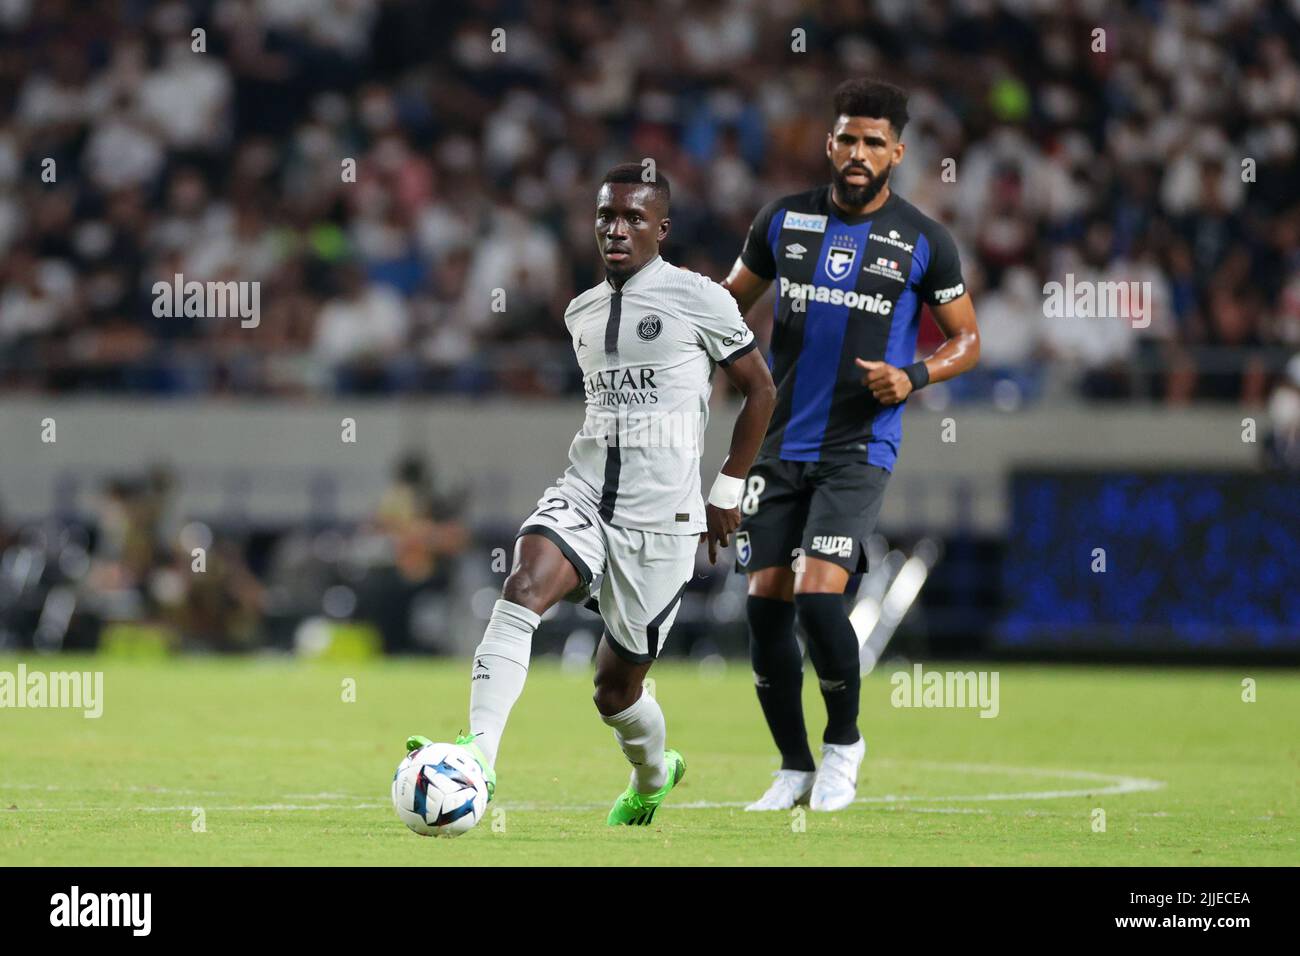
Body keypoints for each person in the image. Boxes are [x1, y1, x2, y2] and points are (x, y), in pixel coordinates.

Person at [408, 163, 776, 825]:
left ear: (661, 229)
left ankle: (653, 774)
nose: (616, 228)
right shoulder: (580, 312)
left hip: (662, 521)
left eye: (634, 217)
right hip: (582, 493)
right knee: (522, 587)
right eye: (607, 215)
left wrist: (727, 485)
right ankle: (479, 757)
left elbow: (762, 389)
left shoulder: (701, 299)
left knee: (614, 690)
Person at [720, 78, 980, 811]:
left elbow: (968, 339)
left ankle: (844, 746)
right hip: (779, 444)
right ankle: (793, 766)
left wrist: (915, 374)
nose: (858, 152)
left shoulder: (924, 241)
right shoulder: (782, 222)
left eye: (874, 142)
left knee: (816, 596)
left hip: (857, 447)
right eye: (847, 139)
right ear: (828, 143)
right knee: (764, 603)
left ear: (896, 151)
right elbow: (725, 303)